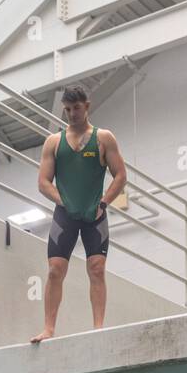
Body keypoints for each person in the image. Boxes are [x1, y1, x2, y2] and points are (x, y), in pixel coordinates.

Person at [30, 84, 127, 343]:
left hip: (95, 214)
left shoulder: (104, 138)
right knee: (54, 270)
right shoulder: (54, 142)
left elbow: (120, 176)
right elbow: (43, 182)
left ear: (87, 106)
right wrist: (63, 200)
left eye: (76, 108)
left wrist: (104, 203)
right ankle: (49, 328)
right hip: (65, 214)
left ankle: (98, 327)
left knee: (96, 269)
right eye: (67, 109)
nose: (72, 114)